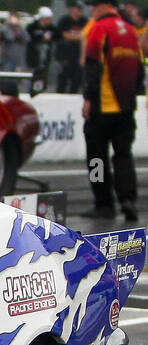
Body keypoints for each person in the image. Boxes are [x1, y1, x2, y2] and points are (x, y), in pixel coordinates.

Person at [83, 0, 142, 218]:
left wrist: (89, 98)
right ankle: (128, 200)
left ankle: (103, 202)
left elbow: (92, 64)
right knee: (123, 156)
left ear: (103, 6)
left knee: (97, 159)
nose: (92, 10)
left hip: (102, 108)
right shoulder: (130, 30)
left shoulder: (99, 28)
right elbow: (140, 70)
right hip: (125, 109)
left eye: (93, 6)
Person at [57, 2, 89, 93]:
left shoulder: (84, 21)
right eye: (77, 9)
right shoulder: (64, 21)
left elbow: (87, 36)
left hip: (78, 54)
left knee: (77, 79)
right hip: (65, 55)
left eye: (80, 9)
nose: (79, 11)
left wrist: (76, 36)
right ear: (71, 9)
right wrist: (80, 37)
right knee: (63, 78)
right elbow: (64, 35)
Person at [28, 6, 58, 91]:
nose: (48, 21)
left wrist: (51, 36)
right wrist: (41, 37)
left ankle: (40, 91)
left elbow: (58, 35)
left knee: (42, 78)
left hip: (45, 58)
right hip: (33, 58)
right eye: (46, 19)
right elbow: (30, 35)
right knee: (32, 76)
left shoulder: (51, 28)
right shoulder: (33, 26)